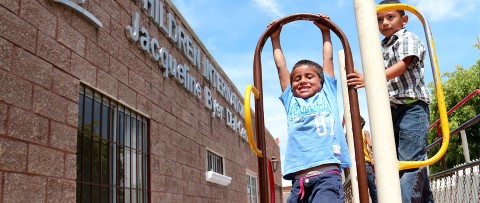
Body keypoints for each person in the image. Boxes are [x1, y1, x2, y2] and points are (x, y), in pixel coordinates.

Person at [347, 0, 434, 202]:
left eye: (390, 17)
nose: (384, 23)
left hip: (412, 107)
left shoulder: (407, 38)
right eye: (379, 19)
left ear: (404, 20)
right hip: (391, 110)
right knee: (405, 162)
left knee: (409, 161)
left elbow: (403, 65)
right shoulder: (380, 46)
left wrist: (369, 78)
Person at [269, 14, 351, 203]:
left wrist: (325, 32)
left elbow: (328, 58)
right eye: (297, 78)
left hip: (327, 176)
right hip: (300, 181)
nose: (303, 81)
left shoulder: (327, 93)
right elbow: (281, 67)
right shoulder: (291, 100)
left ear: (321, 82)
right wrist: (275, 39)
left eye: (309, 77)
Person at [360, 116, 378, 203]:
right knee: (373, 188)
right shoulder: (365, 132)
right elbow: (370, 145)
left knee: (361, 188)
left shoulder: (351, 134)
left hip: (357, 164)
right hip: (366, 162)